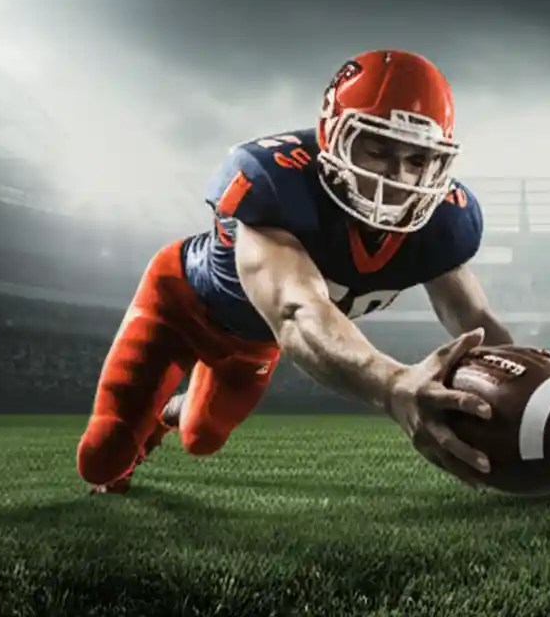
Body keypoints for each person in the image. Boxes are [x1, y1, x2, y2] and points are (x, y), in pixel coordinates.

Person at [77, 49, 512, 494]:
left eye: (418, 160)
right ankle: (128, 444)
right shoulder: (278, 182)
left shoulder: (442, 222)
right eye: (377, 151)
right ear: (333, 134)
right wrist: (394, 383)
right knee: (101, 458)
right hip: (177, 303)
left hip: (251, 344)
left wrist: (529, 390)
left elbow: (476, 319)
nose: (397, 178)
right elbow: (296, 310)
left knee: (202, 438)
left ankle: (167, 414)